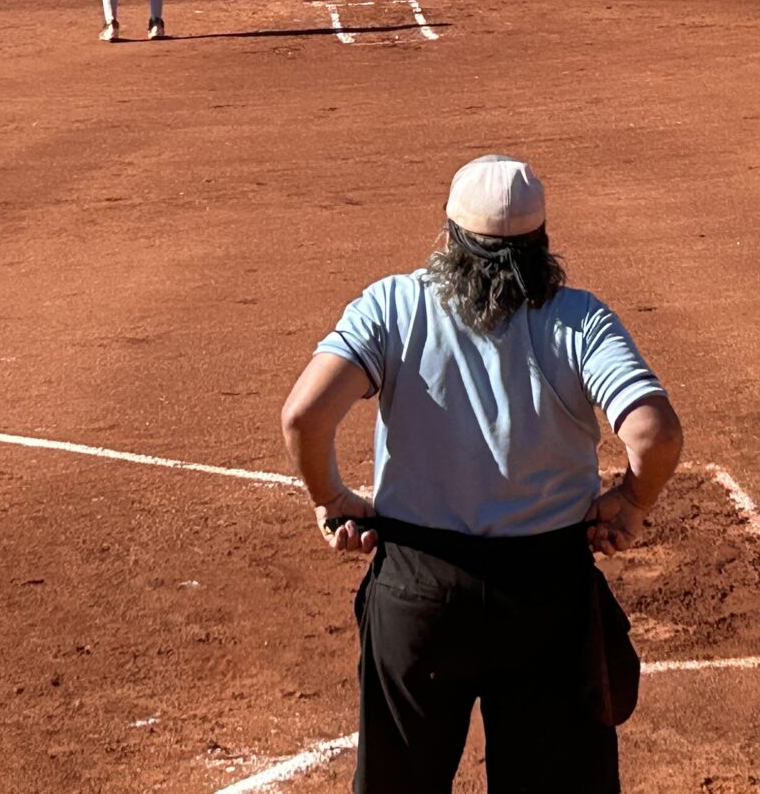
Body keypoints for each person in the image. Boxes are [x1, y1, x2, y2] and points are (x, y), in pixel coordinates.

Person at [281, 155, 683, 794]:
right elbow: (655, 434)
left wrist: (331, 499)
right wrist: (632, 503)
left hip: (419, 591)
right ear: (542, 243)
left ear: (448, 238)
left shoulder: (393, 305)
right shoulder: (581, 319)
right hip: (546, 595)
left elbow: (304, 416)